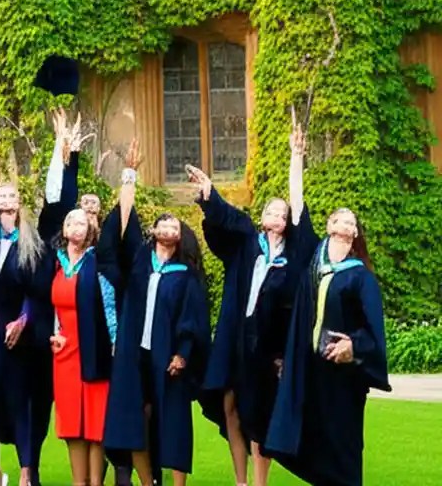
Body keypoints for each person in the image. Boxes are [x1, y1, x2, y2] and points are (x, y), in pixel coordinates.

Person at [0, 101, 82, 486]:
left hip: (23, 339)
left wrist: (25, 319)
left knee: (25, 402)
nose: (8, 199)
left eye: (14, 195)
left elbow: (59, 207)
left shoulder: (33, 240)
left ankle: (27, 472)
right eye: (2, 195)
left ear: (19, 203)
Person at [192, 110, 315, 486]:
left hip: (267, 344)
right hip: (234, 335)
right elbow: (226, 220)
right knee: (229, 405)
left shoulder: (294, 256)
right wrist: (210, 194)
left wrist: (296, 159)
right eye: (269, 209)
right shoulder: (248, 244)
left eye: (281, 211)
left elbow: (299, 207)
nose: (274, 213)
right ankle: (240, 481)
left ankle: (260, 482)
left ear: (289, 219)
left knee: (259, 413)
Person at [102, 141, 210, 486]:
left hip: (167, 355)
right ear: (152, 233)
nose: (167, 227)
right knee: (136, 416)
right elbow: (122, 223)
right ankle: (146, 480)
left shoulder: (186, 275)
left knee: (173, 420)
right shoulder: (138, 263)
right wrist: (129, 176)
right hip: (135, 354)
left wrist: (184, 352)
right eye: (161, 223)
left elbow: (193, 319)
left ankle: (175, 483)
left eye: (173, 225)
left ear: (180, 237)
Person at [265, 206, 390, 486]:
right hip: (312, 372)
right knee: (315, 445)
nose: (346, 224)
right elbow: (298, 215)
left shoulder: (360, 277)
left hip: (343, 378)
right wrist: (296, 161)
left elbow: (374, 332)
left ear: (355, 233)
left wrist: (353, 346)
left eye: (351, 222)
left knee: (343, 447)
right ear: (329, 225)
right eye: (340, 219)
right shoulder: (313, 269)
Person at [46, 201, 115, 486]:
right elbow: (52, 307)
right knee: (72, 421)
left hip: (95, 347)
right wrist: (53, 333)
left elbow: (109, 305)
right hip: (64, 351)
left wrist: (115, 342)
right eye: (70, 221)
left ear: (90, 230)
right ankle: (79, 482)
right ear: (63, 229)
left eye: (81, 222)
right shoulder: (56, 262)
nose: (75, 226)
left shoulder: (97, 261)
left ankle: (96, 481)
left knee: (96, 420)